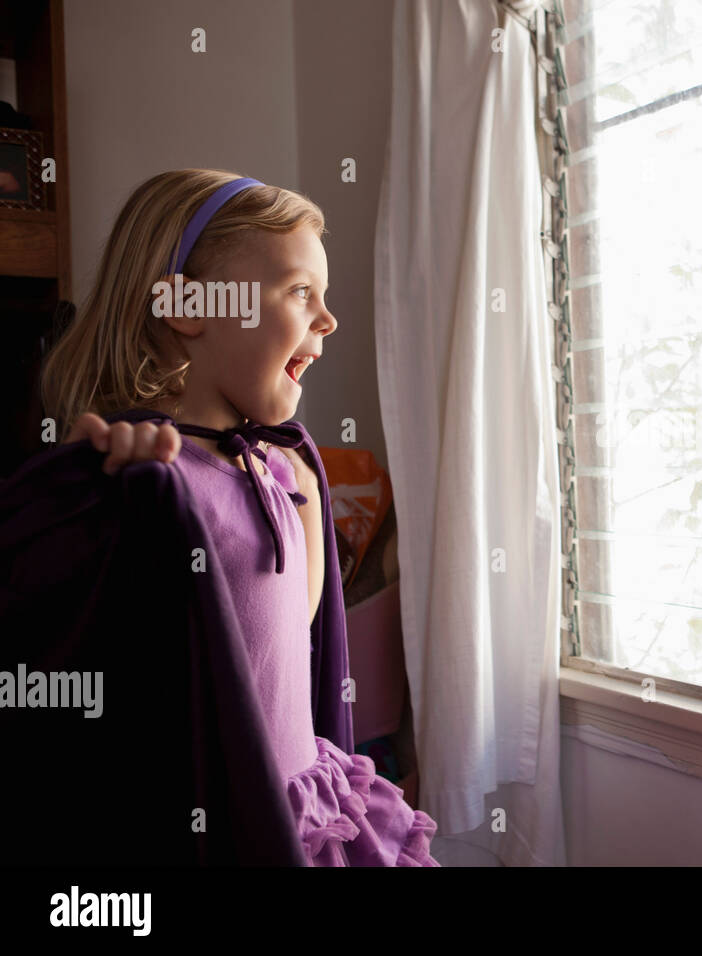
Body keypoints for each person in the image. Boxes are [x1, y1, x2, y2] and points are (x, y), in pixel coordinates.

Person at [30, 168, 439, 866]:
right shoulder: (137, 479)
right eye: (300, 291)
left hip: (307, 809)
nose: (328, 319)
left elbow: (300, 641)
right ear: (189, 306)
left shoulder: (282, 469)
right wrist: (86, 484)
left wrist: (303, 490)